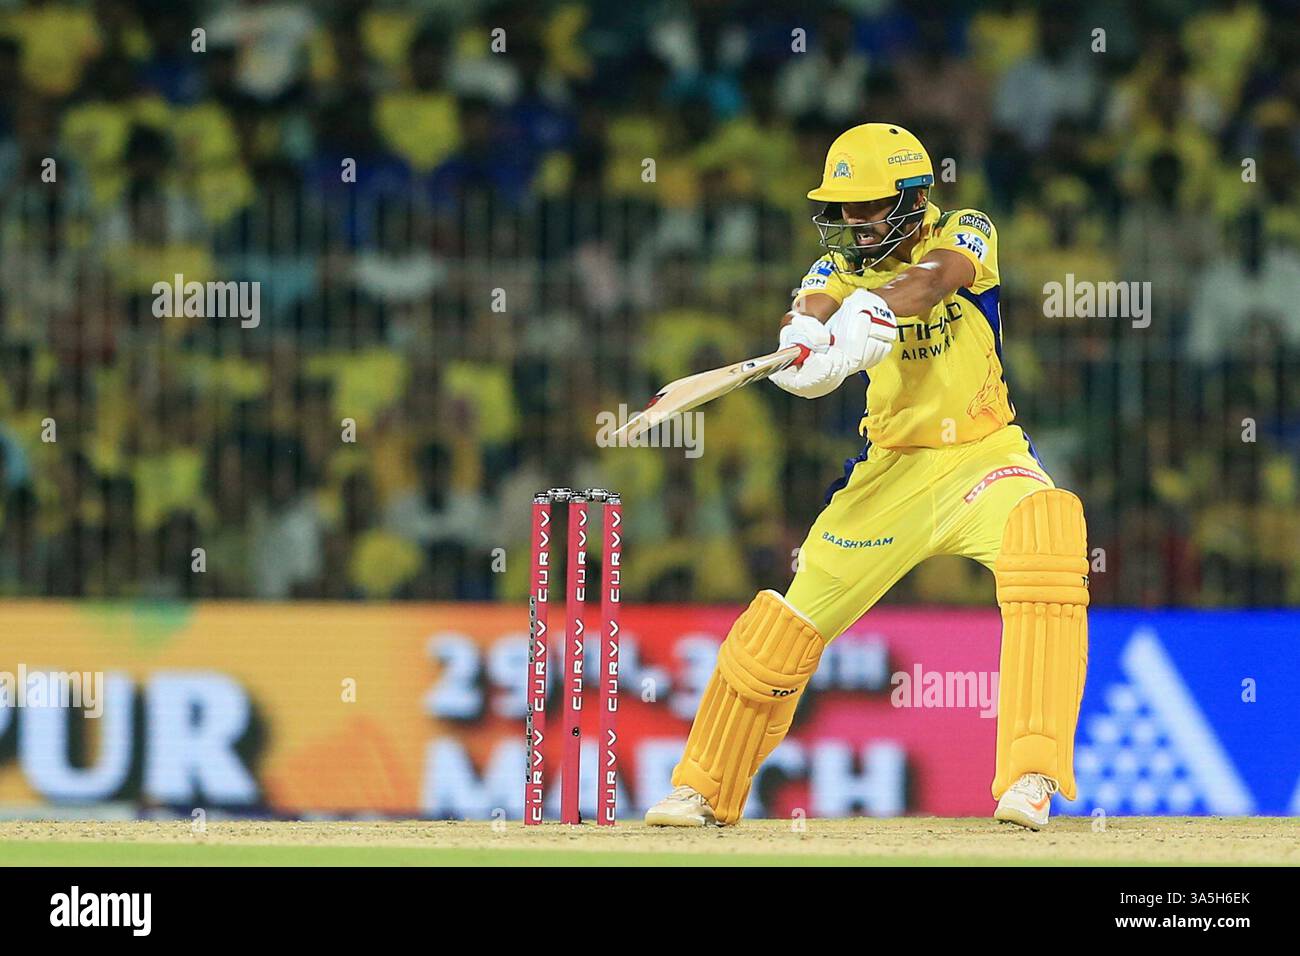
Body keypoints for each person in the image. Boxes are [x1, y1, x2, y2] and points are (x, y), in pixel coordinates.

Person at [645, 123, 1089, 831]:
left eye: (869, 206)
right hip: (891, 471)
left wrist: (875, 307)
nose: (853, 222)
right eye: (844, 209)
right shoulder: (840, 268)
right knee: (787, 623)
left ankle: (1031, 775)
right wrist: (805, 344)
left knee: (1049, 531)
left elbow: (937, 278)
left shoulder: (968, 228)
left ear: (914, 198)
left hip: (985, 455)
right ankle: (701, 788)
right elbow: (811, 307)